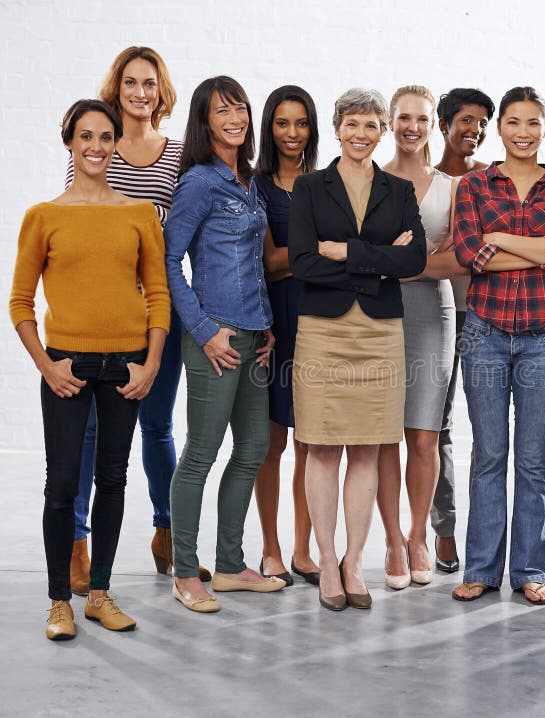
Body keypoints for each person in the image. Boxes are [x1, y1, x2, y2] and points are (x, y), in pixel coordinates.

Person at [9, 99, 170, 639]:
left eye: (106, 137)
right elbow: (20, 303)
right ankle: (60, 601)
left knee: (114, 479)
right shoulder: (44, 217)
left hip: (125, 366)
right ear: (70, 143)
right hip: (67, 367)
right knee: (61, 485)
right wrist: (47, 364)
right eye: (86, 137)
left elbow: (160, 294)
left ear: (115, 144)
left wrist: (149, 362)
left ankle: (99, 593)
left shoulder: (138, 213)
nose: (96, 147)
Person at [288, 88, 426, 611]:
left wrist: (346, 252)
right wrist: (376, 260)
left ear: (382, 131)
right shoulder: (309, 187)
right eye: (352, 124)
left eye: (372, 125)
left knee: (368, 448)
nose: (361, 134)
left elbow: (413, 259)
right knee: (322, 447)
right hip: (324, 331)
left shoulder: (398, 188)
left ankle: (354, 561)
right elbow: (303, 262)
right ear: (337, 127)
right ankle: (326, 561)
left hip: (380, 334)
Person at [63, 46, 193, 593]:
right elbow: (76, 219)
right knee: (89, 431)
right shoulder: (94, 147)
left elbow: (188, 231)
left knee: (158, 427)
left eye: (150, 83)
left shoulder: (182, 154)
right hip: (102, 313)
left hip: (160, 311)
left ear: (161, 91)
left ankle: (168, 531)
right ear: (116, 88)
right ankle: (76, 542)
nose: (140, 92)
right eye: (131, 82)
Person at [451, 86, 545, 605]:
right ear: (500, 128)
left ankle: (531, 569)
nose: (523, 132)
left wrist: (499, 239)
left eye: (533, 123)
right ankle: (480, 568)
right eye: (513, 122)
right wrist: (531, 247)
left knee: (532, 459)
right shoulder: (474, 185)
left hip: (541, 337)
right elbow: (467, 253)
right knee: (488, 455)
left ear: (544, 130)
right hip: (484, 333)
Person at [164, 76, 284, 613]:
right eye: (221, 111)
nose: (234, 117)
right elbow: (170, 263)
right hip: (216, 336)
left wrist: (269, 323)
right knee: (200, 455)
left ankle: (232, 565)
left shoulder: (249, 181)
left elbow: (255, 261)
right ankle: (186, 574)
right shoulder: (197, 183)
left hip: (255, 335)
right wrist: (204, 331)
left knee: (254, 447)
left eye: (239, 107)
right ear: (204, 121)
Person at [377, 85, 469, 589]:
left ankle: (417, 537)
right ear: (391, 121)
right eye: (403, 116)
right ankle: (392, 539)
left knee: (425, 434)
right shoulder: (369, 180)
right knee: (385, 435)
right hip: (377, 318)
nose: (412, 126)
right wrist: (414, 264)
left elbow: (458, 260)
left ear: (434, 124)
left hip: (435, 313)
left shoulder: (452, 187)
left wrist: (398, 266)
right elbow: (359, 257)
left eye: (421, 118)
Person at [252, 85, 320, 587]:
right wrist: (319, 252)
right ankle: (270, 548)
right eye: (282, 123)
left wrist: (303, 259)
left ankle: (303, 549)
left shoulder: (325, 183)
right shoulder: (255, 186)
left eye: (300, 123)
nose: (292, 133)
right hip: (274, 323)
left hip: (321, 324)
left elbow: (289, 259)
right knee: (272, 441)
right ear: (269, 128)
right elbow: (266, 261)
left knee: (312, 444)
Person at [430, 88, 495, 573]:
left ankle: (488, 539)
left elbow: (485, 252)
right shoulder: (424, 182)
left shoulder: (491, 181)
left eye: (483, 122)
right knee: (437, 426)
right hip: (435, 314)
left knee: (490, 433)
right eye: (467, 120)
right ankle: (445, 530)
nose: (475, 129)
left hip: (485, 315)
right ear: (443, 123)